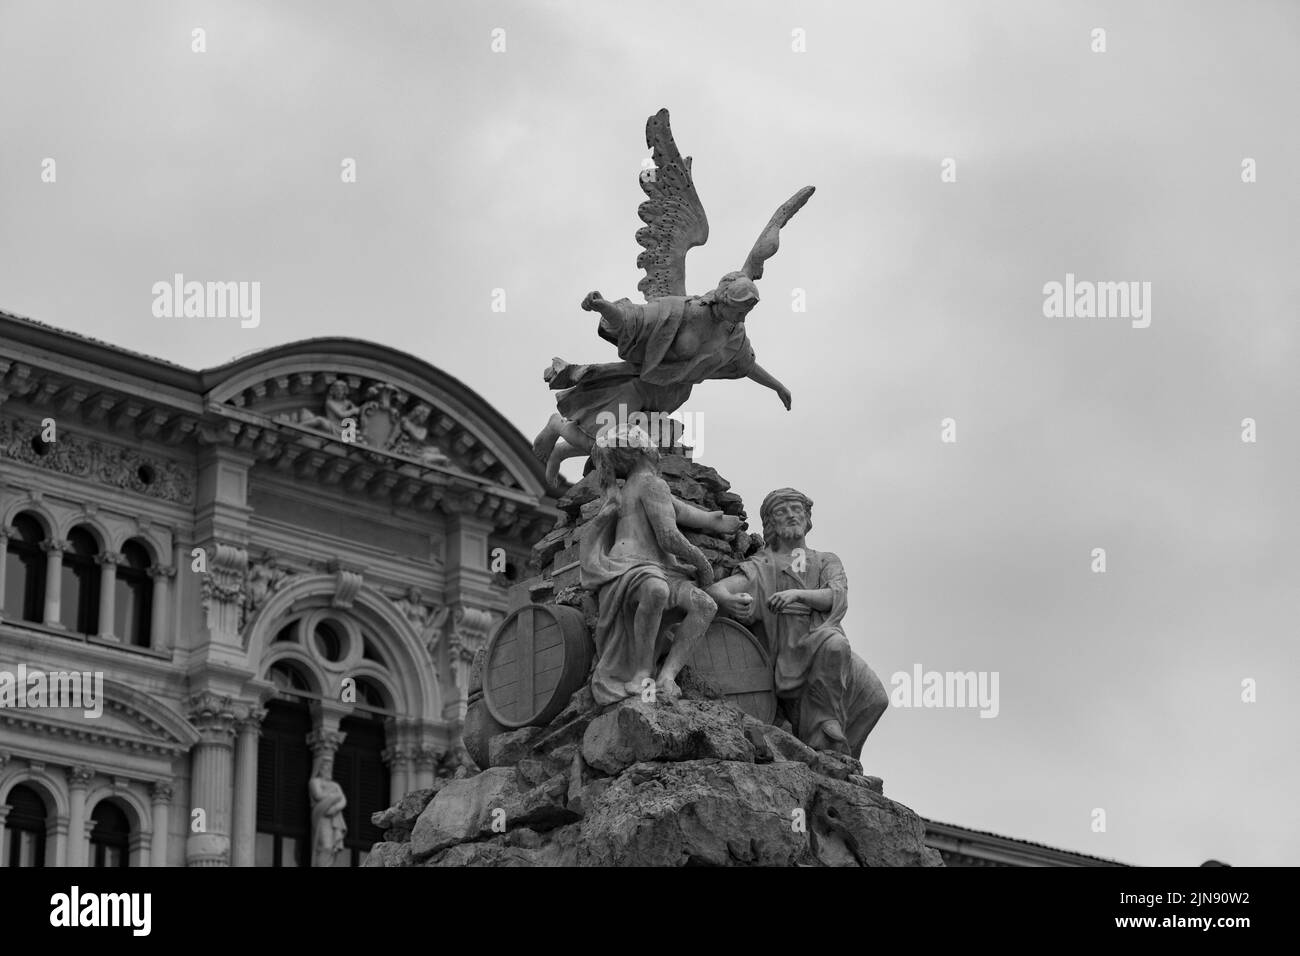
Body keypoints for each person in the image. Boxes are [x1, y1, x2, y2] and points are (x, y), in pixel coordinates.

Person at [708, 488, 888, 758]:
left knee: (875, 698)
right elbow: (718, 590)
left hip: (823, 639)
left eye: (797, 509)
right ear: (771, 523)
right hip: (790, 652)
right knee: (835, 645)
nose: (791, 515)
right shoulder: (763, 565)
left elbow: (836, 596)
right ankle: (824, 734)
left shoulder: (826, 560)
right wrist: (728, 601)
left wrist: (798, 594)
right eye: (782, 511)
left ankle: (846, 756)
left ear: (807, 517)